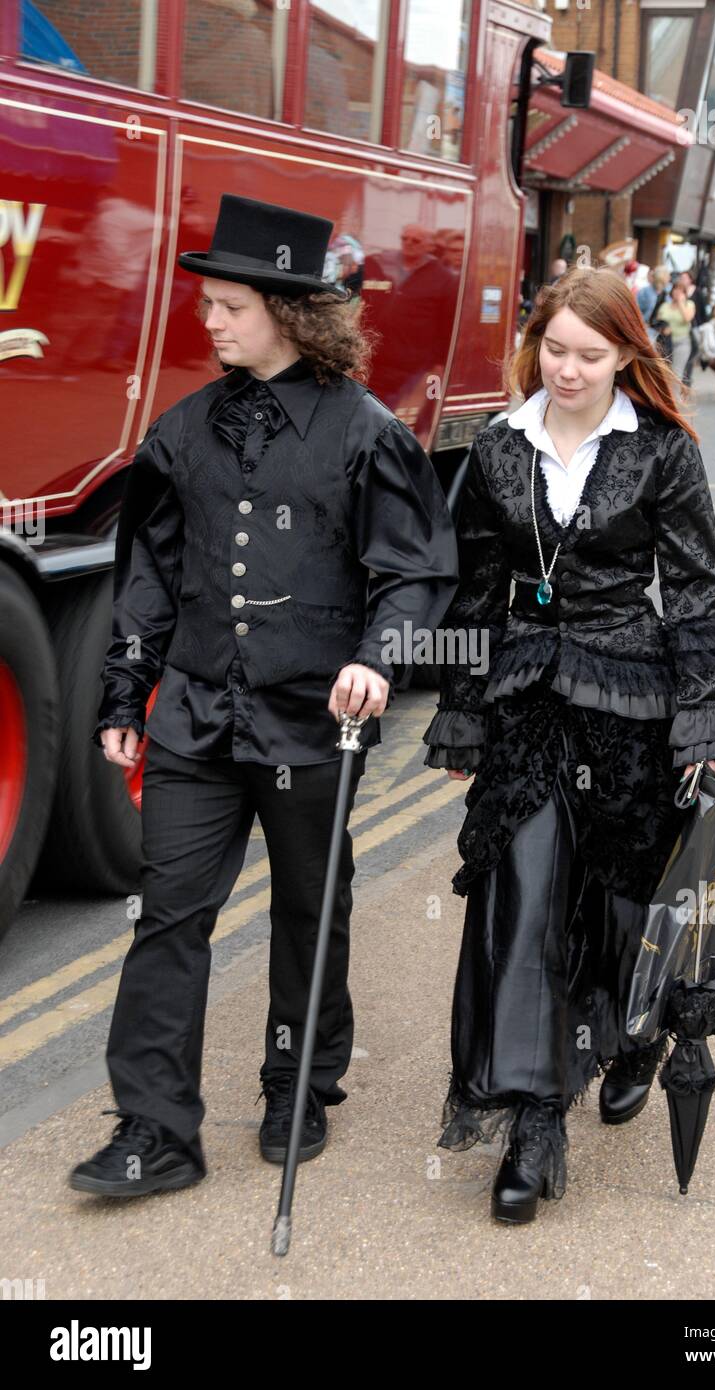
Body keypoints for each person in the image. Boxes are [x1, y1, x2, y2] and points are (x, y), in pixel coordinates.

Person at [69, 195, 459, 1197]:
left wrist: (380, 655)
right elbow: (147, 577)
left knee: (306, 906)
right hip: (198, 712)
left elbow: (416, 571)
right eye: (211, 301)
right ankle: (155, 1127)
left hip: (310, 718)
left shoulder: (367, 435)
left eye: (231, 304)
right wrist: (125, 698)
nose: (210, 318)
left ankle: (298, 1081)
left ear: (289, 310)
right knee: (169, 914)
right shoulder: (182, 433)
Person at [422, 264, 715, 1224]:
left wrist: (704, 723)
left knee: (621, 900)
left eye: (590, 354)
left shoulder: (661, 454)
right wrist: (461, 710)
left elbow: (696, 595)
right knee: (524, 899)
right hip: (527, 696)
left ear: (626, 355)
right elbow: (475, 591)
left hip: (632, 698)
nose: (567, 371)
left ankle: (634, 1038)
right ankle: (534, 1118)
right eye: (555, 350)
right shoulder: (496, 448)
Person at [654, 276, 696, 382]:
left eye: (681, 290)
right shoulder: (664, 306)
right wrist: (663, 329)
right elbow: (657, 322)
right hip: (665, 343)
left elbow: (687, 318)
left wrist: (681, 303)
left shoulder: (689, 304)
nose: (677, 292)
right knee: (663, 373)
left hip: (681, 343)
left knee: (676, 374)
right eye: (676, 289)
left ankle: (675, 398)